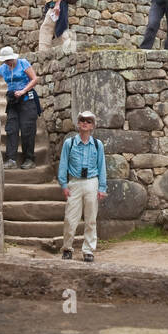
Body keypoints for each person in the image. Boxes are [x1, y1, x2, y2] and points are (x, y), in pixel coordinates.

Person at [58, 110, 107, 262]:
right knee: (70, 218)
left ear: (92, 125)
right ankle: (67, 248)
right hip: (74, 182)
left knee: (91, 218)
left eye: (88, 121)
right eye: (82, 120)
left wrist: (102, 188)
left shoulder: (98, 145)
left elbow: (102, 167)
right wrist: (64, 184)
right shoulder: (69, 143)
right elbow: (63, 164)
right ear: (78, 123)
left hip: (92, 181)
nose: (85, 123)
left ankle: (88, 250)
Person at [0, 45, 39, 169]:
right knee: (11, 129)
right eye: (5, 60)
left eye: (9, 60)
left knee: (27, 130)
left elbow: (35, 79)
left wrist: (23, 91)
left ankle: (29, 159)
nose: (8, 62)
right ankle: (11, 159)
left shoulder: (23, 63)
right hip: (13, 102)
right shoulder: (3, 68)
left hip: (27, 100)